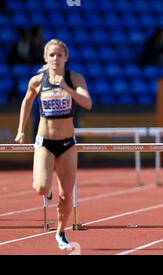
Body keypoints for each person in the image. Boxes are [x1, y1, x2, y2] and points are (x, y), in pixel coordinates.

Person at [15, 39, 92, 250]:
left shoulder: (75, 78)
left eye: (59, 55)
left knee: (66, 194)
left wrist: (66, 87)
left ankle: (60, 232)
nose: (55, 59)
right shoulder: (37, 81)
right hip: (45, 143)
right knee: (41, 186)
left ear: (66, 58)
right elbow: (27, 101)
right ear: (45, 58)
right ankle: (46, 190)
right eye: (52, 55)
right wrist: (21, 130)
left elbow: (87, 103)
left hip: (67, 144)